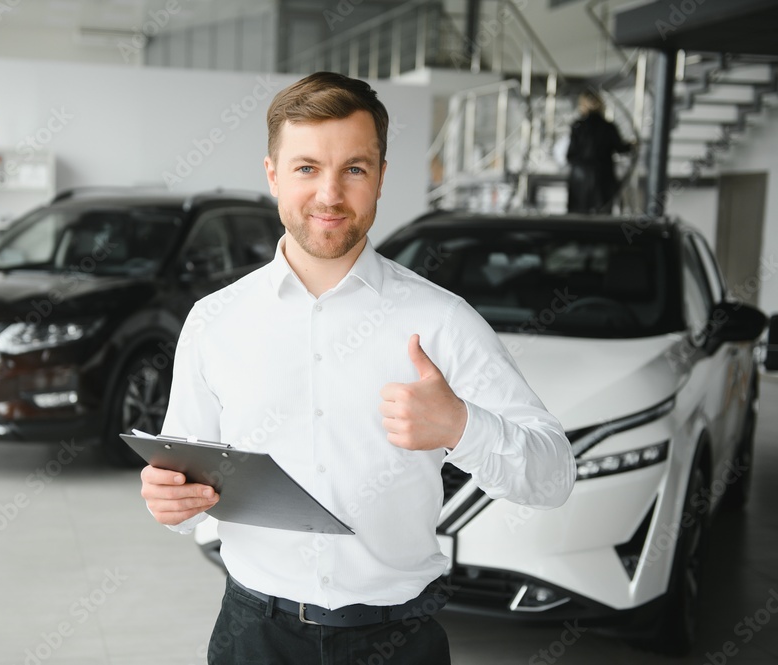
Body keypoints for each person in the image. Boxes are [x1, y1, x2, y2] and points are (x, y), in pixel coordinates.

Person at [140, 71, 576, 664]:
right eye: (306, 168)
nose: (329, 195)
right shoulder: (214, 322)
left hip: (397, 640)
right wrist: (170, 503)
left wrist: (461, 427)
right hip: (254, 635)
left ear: (380, 178)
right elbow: (186, 472)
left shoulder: (442, 321)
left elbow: (554, 477)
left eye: (354, 168)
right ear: (272, 174)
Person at [566, 89, 633, 214]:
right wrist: (632, 146)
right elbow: (620, 148)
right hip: (603, 177)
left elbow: (570, 154)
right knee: (602, 215)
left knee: (577, 214)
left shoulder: (578, 126)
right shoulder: (608, 127)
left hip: (580, 178)